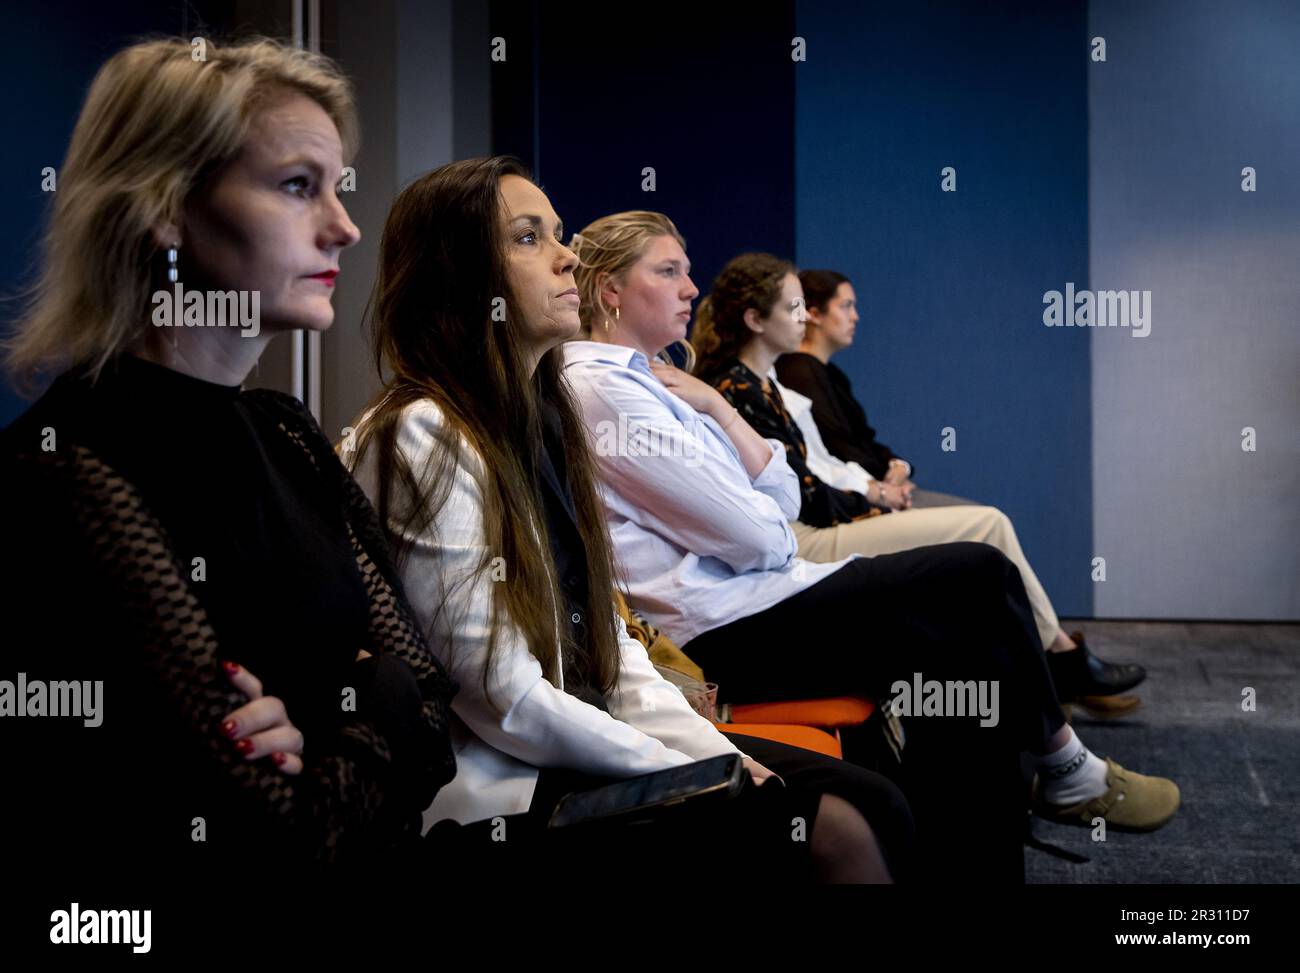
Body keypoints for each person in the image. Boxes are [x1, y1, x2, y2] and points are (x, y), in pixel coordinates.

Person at [561, 210, 1180, 880]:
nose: (690, 287)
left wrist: (717, 409)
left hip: (760, 594)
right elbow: (764, 535)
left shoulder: (662, 384)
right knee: (977, 576)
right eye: (668, 270)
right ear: (610, 291)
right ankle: (1065, 768)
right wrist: (754, 494)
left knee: (965, 662)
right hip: (724, 629)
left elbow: (784, 503)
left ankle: (1002, 823)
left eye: (687, 270)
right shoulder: (608, 391)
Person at [343, 157, 911, 883]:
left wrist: (718, 756)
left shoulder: (546, 425)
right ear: (460, 276)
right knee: (830, 830)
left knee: (875, 802)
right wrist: (683, 766)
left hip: (590, 726)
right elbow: (501, 698)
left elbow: (608, 646)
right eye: (528, 238)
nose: (567, 255)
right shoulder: (424, 432)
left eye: (560, 234)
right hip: (502, 784)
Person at [0, 38, 456, 896]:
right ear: (165, 207)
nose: (346, 225)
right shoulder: (73, 467)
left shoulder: (282, 430)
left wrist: (336, 712)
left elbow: (431, 697)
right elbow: (283, 838)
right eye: (297, 185)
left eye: (335, 185)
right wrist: (371, 696)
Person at [694, 255, 1146, 713]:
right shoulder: (739, 390)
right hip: (799, 541)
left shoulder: (762, 382)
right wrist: (873, 496)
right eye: (794, 307)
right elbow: (804, 495)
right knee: (988, 526)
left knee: (987, 531)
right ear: (754, 319)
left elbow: (822, 467)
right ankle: (1059, 668)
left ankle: (1051, 673)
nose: (804, 316)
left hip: (815, 524)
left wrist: (878, 487)